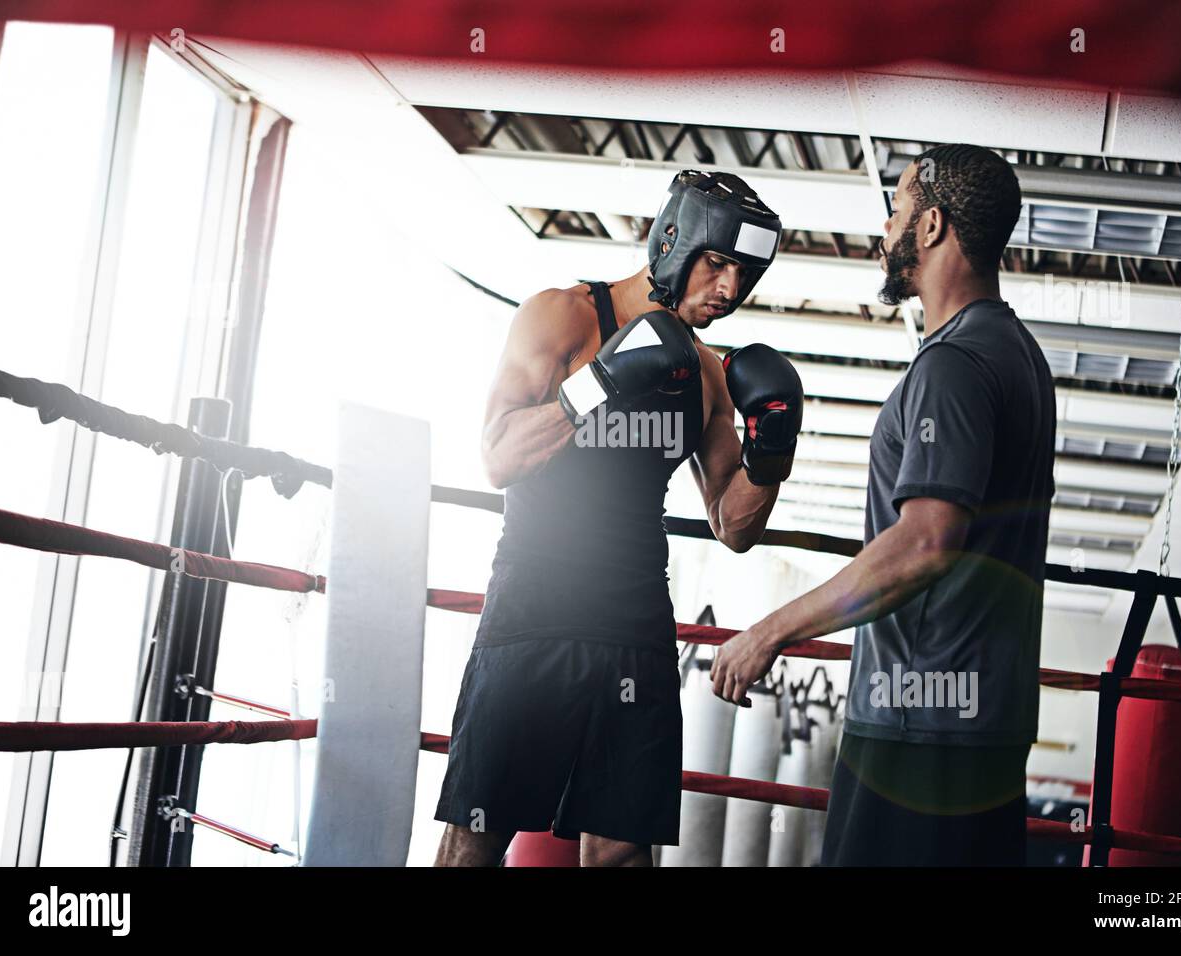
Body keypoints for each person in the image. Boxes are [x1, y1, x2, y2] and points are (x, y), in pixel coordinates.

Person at [434, 170, 804, 867]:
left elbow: (735, 524)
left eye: (745, 274)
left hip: (634, 622)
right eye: (717, 263)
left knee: (622, 852)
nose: (729, 289)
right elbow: (497, 458)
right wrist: (598, 383)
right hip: (534, 606)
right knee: (476, 835)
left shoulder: (708, 375)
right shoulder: (563, 316)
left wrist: (773, 452)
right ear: (672, 240)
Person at [711, 143, 1056, 866]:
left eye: (896, 209)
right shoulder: (1019, 353)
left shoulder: (953, 366)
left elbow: (926, 541)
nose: (886, 230)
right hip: (982, 724)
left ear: (930, 227)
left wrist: (768, 632)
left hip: (918, 728)